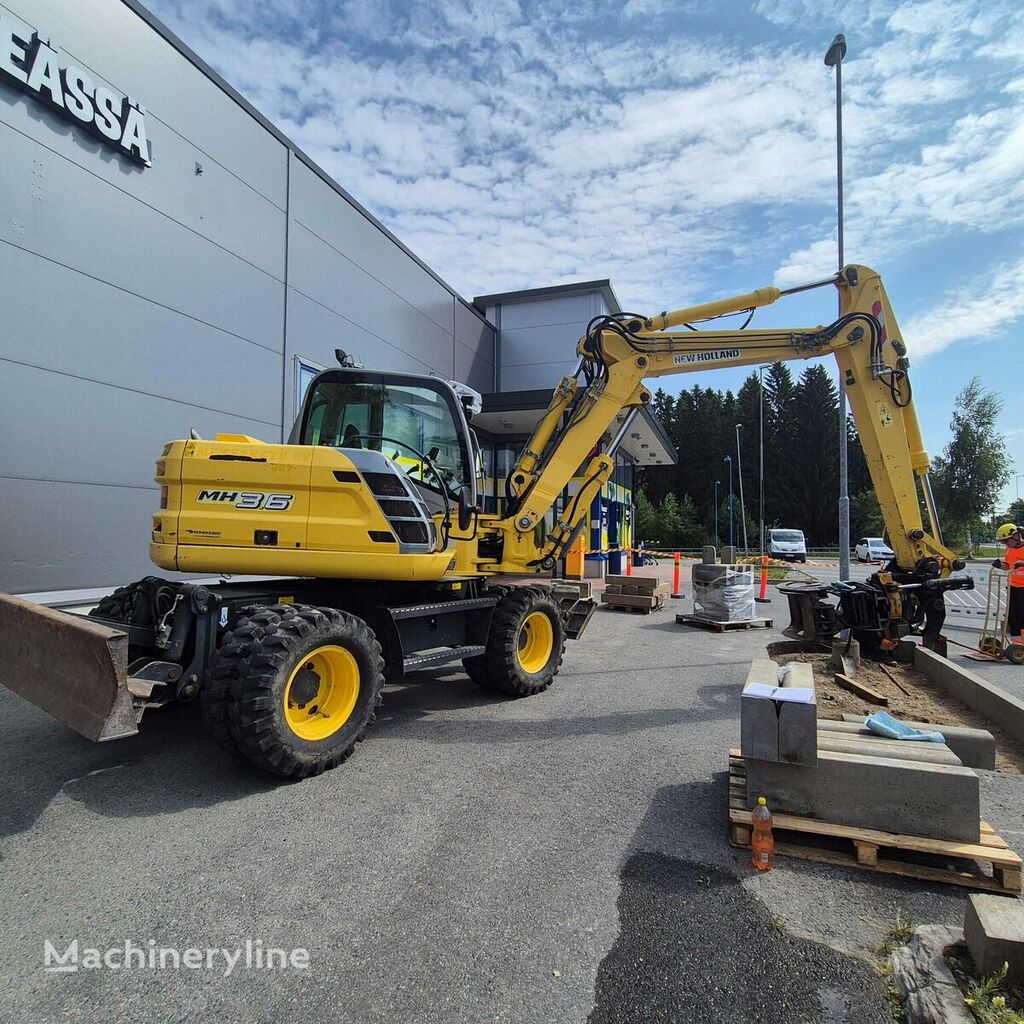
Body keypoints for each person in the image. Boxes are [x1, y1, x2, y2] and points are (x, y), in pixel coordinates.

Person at [994, 523, 1024, 638]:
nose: (1005, 544)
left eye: (1006, 541)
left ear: (1016, 536)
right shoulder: (1009, 550)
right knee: (1013, 617)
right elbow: (1007, 566)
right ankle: (1017, 645)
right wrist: (999, 565)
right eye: (1003, 542)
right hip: (1013, 587)